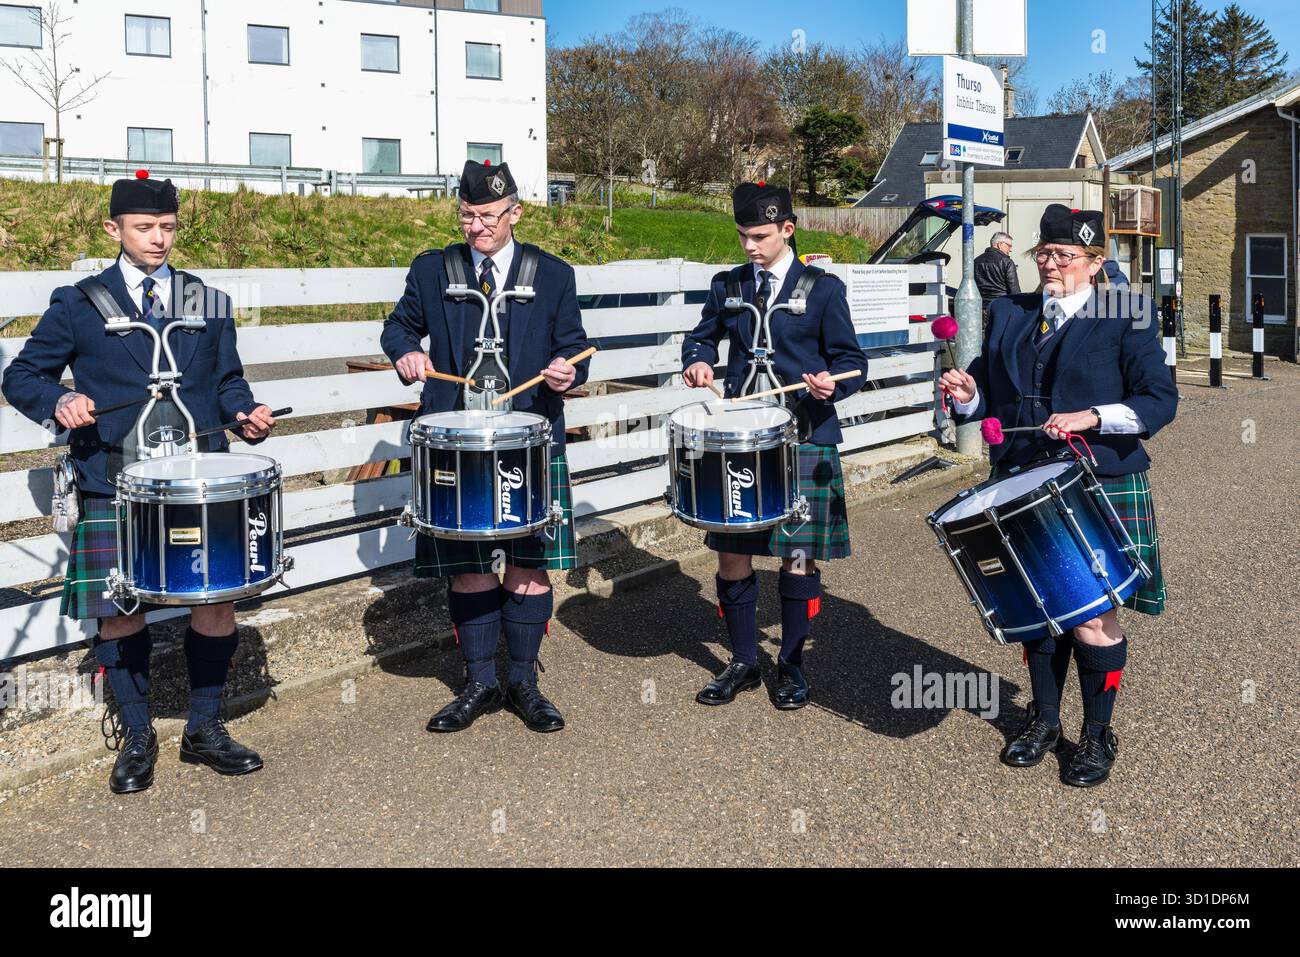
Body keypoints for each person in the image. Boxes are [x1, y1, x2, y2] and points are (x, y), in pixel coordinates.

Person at [2, 172, 279, 794]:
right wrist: (60, 400)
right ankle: (135, 734)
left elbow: (227, 380)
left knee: (215, 601)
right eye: (145, 228)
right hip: (113, 478)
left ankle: (204, 728)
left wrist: (245, 414)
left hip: (198, 478)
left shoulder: (205, 300)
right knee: (117, 611)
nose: (159, 239)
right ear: (114, 230)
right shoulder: (78, 302)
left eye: (168, 228)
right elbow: (21, 376)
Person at [940, 203, 1177, 787]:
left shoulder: (1129, 312)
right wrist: (968, 394)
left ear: (1095, 263)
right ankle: (1044, 720)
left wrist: (1093, 416)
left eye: (1064, 256)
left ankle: (1097, 733)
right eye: (1043, 254)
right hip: (1020, 481)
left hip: (1098, 478)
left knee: (1093, 615)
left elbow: (1159, 400)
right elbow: (988, 402)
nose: (1050, 265)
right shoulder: (1009, 312)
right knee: (1038, 613)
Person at [382, 159, 591, 734]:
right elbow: (398, 327)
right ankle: (478, 682)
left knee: (529, 566)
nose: (477, 228)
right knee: (471, 568)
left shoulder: (551, 274)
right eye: (467, 216)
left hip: (530, 439)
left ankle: (524, 681)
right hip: (457, 444)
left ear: (515, 213)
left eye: (489, 217)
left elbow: (576, 348)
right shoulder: (434, 270)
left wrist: (565, 372)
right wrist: (406, 353)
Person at [681, 182, 869, 709]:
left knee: (799, 556)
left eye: (759, 236)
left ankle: (790, 662)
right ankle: (742, 662)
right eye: (742, 235)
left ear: (787, 229)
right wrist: (697, 360)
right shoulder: (727, 285)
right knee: (731, 555)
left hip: (803, 434)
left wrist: (834, 382)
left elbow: (853, 361)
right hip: (740, 440)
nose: (749, 246)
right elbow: (701, 337)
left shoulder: (824, 289)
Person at [973, 231, 1021, 317]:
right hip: (1001, 309)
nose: (1010, 249)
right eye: (1009, 246)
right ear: (1000, 244)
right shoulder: (1007, 262)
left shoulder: (975, 261)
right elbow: (1015, 292)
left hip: (979, 310)